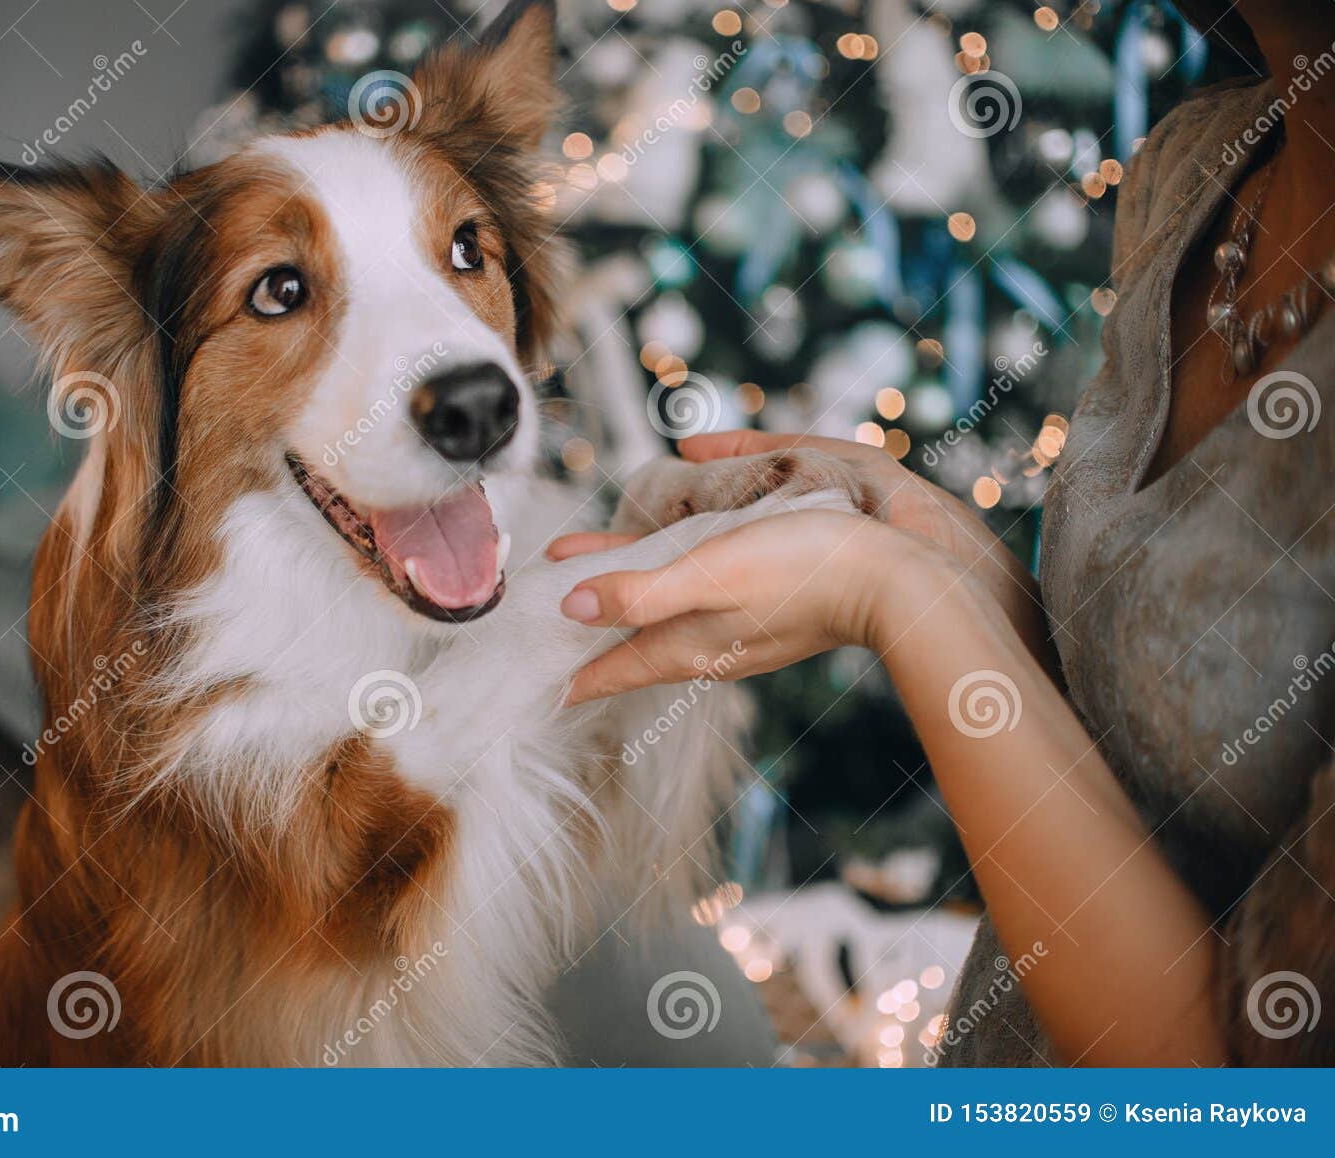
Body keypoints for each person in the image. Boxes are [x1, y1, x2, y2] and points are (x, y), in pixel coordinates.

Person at [550, 0, 1335, 1065]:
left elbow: (1232, 1094)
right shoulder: (1203, 165)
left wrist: (895, 595)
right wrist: (922, 534)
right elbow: (1133, 741)